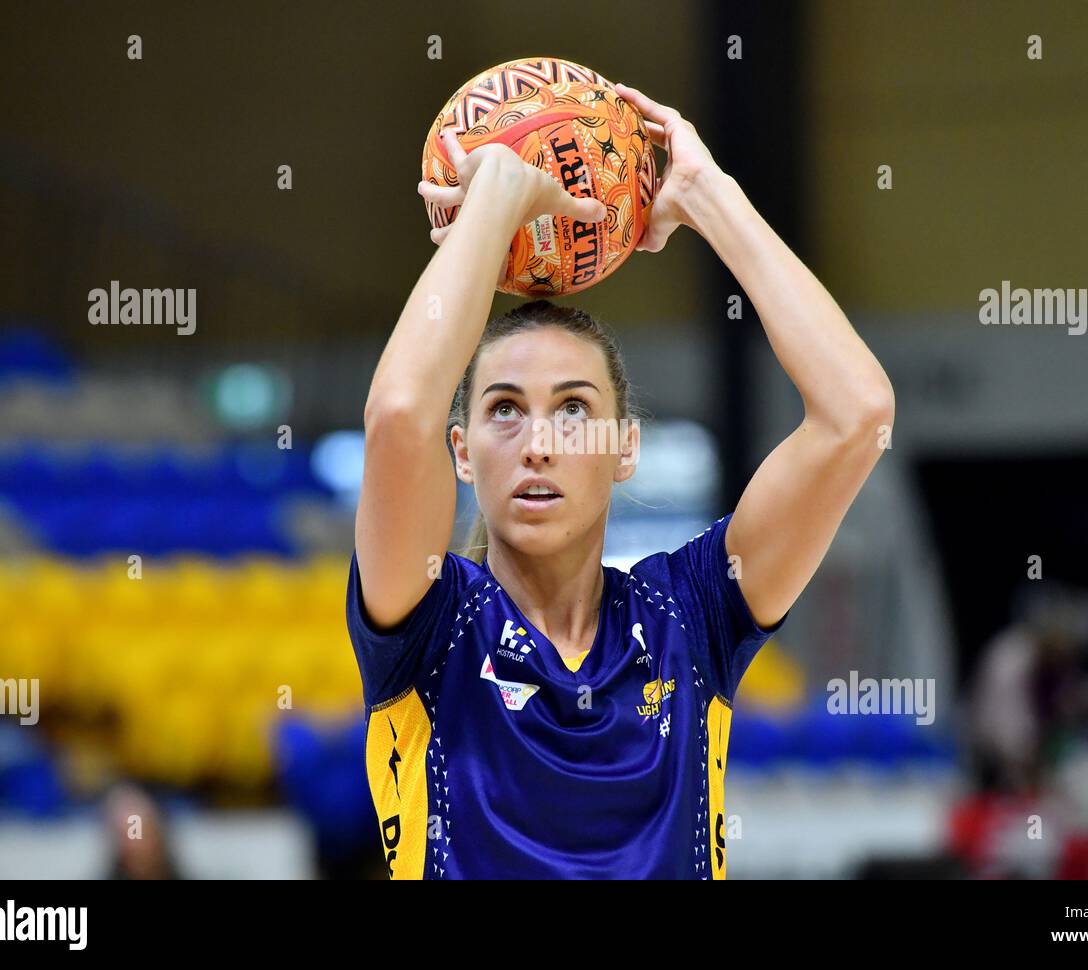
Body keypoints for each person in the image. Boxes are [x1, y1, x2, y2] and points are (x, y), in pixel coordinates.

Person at [346, 82, 894, 878]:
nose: (537, 443)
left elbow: (859, 413)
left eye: (573, 411)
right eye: (505, 410)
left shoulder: (692, 616)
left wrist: (708, 196)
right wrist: (495, 199)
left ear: (624, 447)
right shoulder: (430, 626)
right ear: (461, 452)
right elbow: (399, 416)